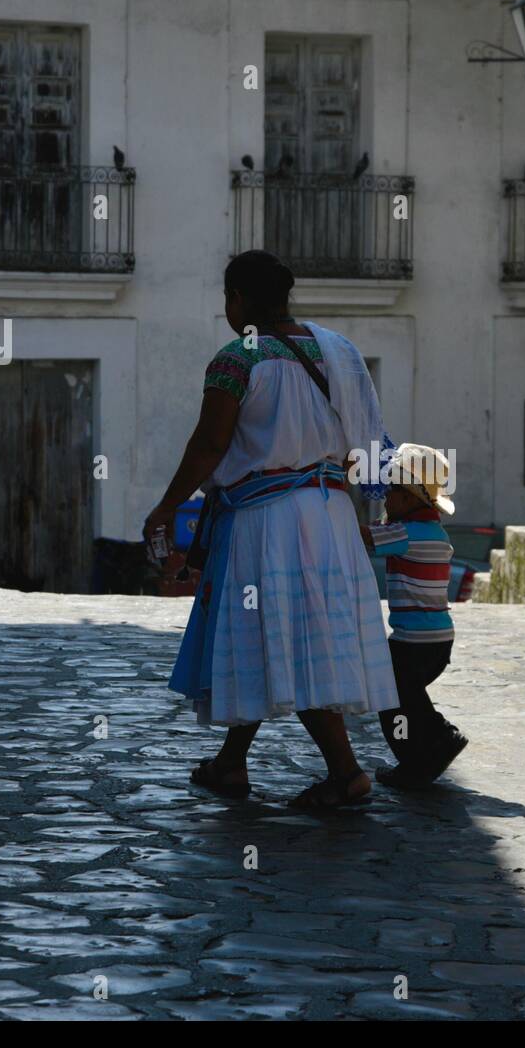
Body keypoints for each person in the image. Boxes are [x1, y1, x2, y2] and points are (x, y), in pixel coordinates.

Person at [143, 250, 398, 810]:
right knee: (284, 636)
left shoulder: (238, 359)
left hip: (268, 521)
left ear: (237, 300)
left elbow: (210, 445)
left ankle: (347, 773)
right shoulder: (341, 353)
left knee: (287, 635)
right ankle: (231, 763)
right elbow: (371, 442)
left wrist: (167, 506)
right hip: (331, 514)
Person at [360, 444, 468, 789]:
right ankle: (434, 741)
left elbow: (363, 537)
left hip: (413, 642)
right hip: (438, 642)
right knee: (406, 695)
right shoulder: (433, 532)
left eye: (392, 491)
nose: (386, 498)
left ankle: (424, 751)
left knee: (391, 701)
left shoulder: (403, 534)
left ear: (409, 499)